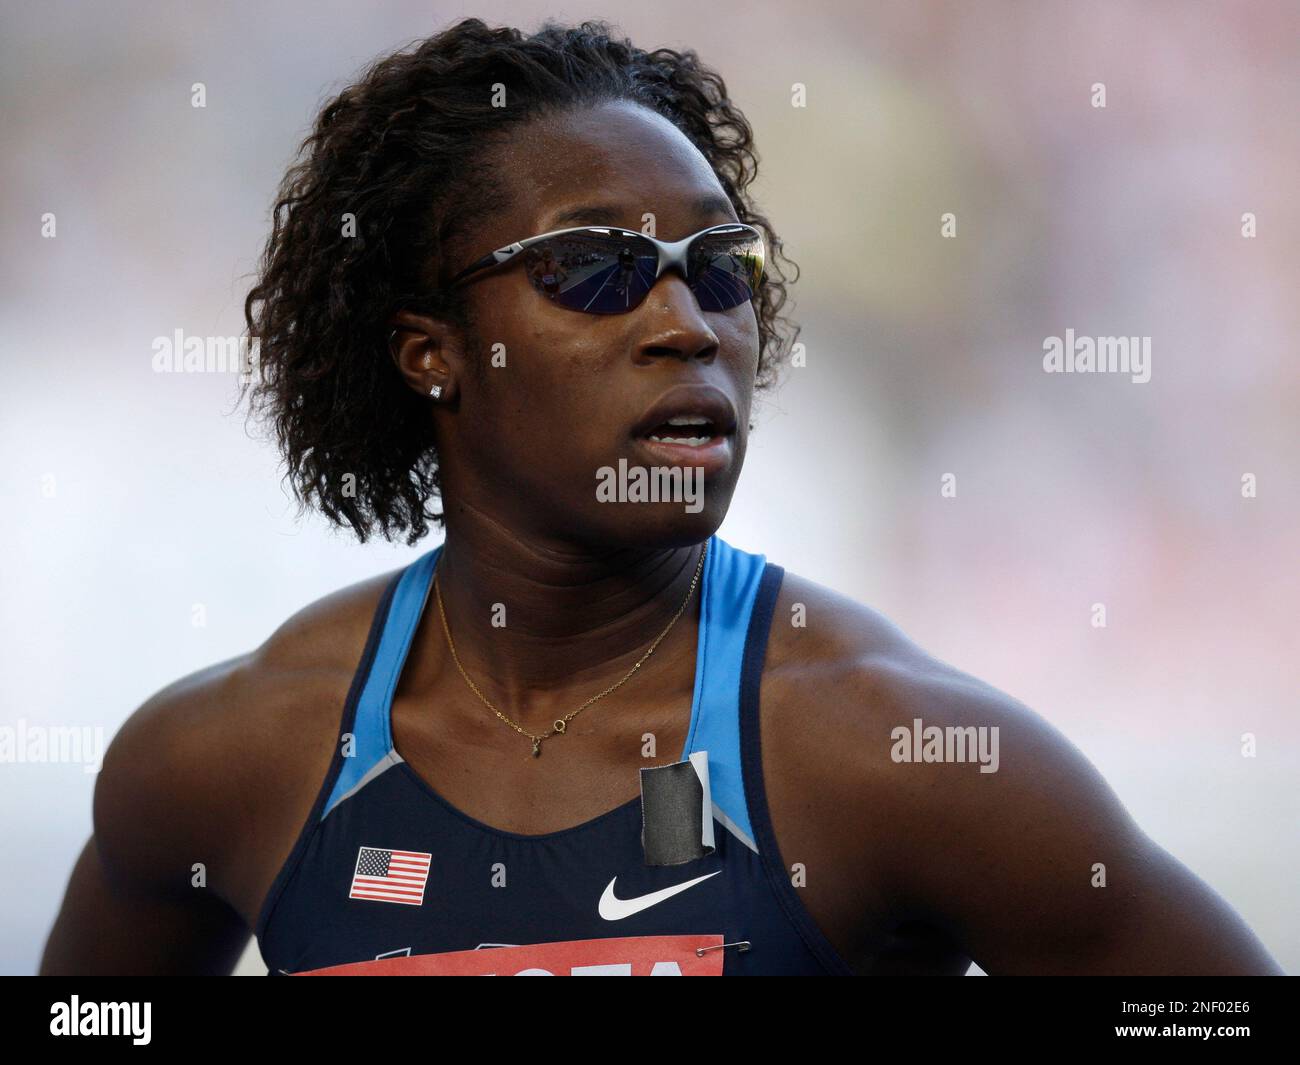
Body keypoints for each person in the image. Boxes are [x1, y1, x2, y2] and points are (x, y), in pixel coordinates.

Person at [40, 17, 1282, 976]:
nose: (686, 324)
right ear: (430, 350)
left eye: (719, 268)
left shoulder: (897, 760)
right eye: (594, 269)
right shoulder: (222, 759)